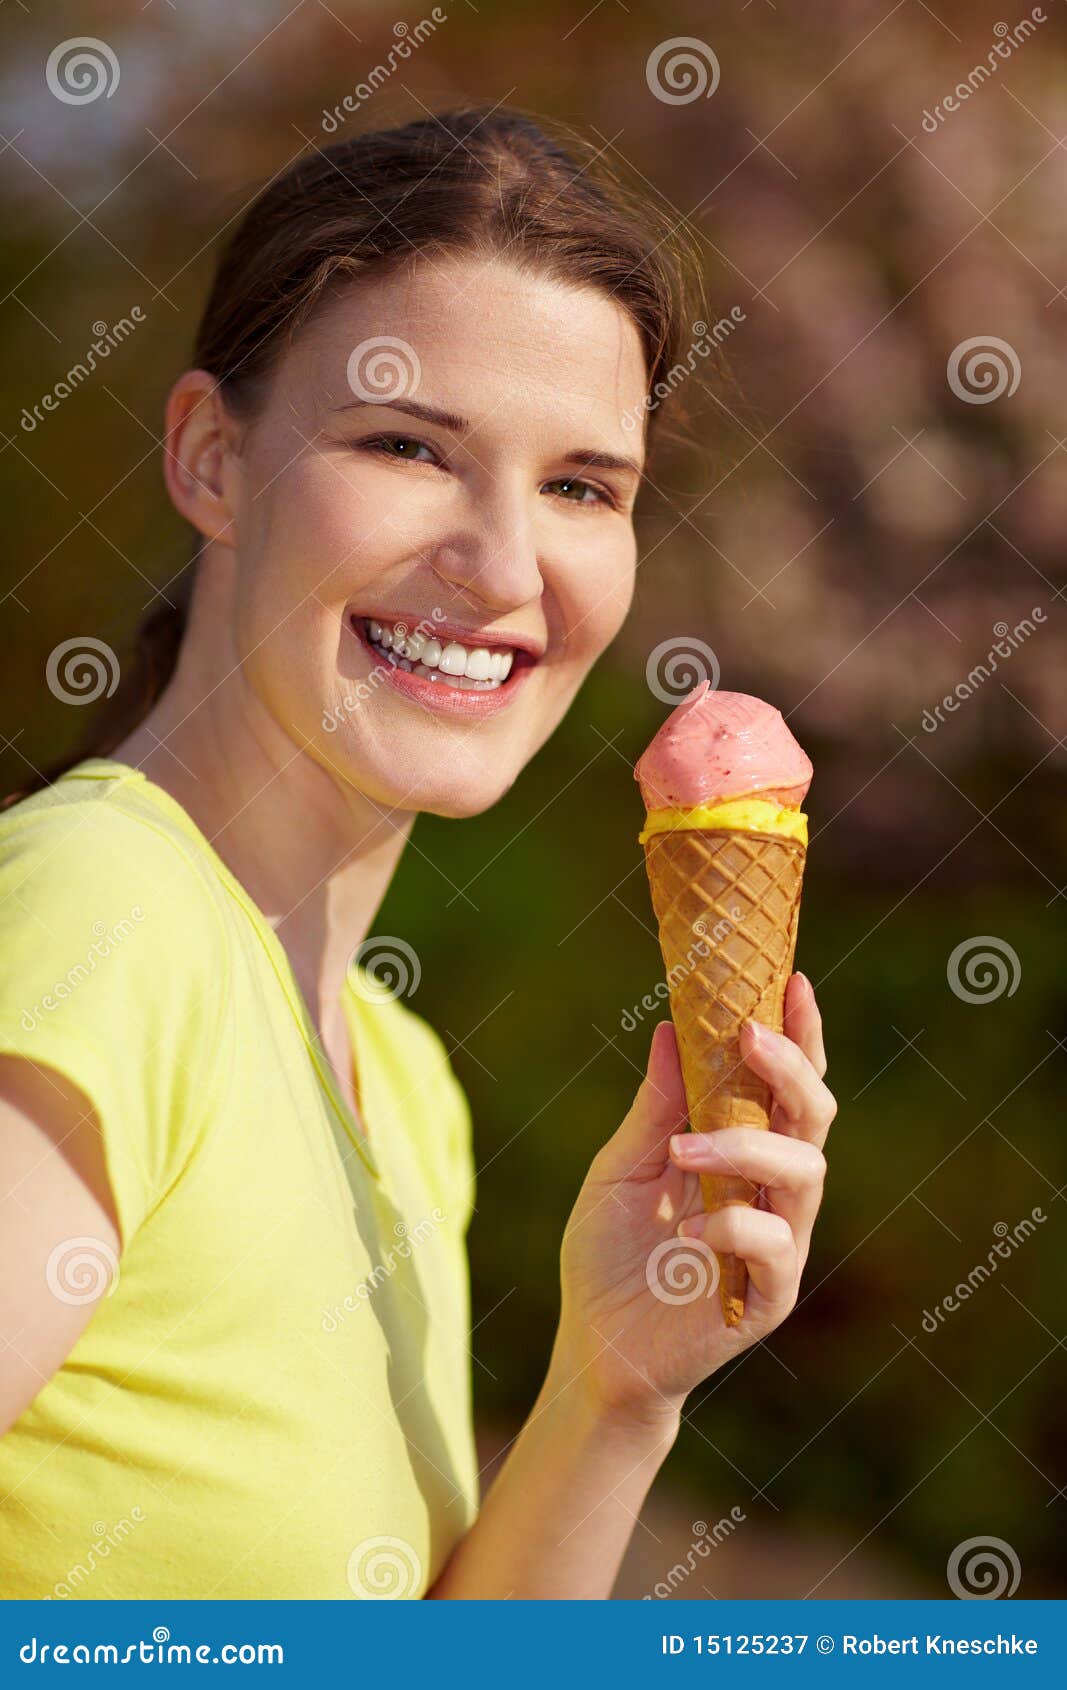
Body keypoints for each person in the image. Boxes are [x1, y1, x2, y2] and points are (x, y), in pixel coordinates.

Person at [0, 106, 836, 1599]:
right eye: (406, 445)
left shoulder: (404, 1080)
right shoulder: (98, 918)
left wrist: (615, 1385)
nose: (505, 567)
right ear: (209, 455)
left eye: (583, 485)